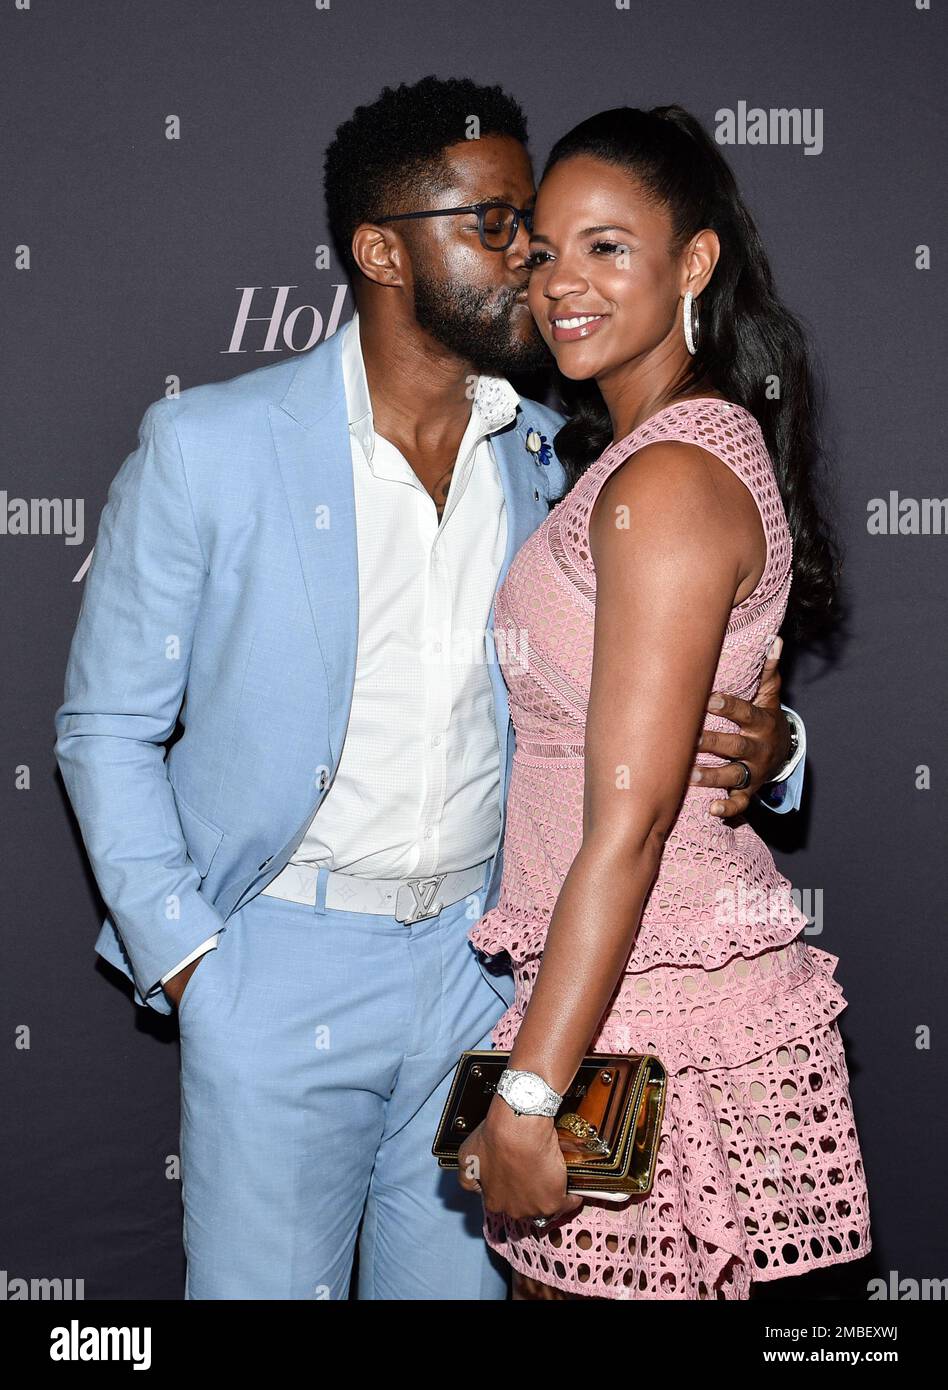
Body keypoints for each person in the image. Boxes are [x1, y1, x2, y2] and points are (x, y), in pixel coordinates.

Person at [54, 79, 805, 1301]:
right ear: (380, 250)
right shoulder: (213, 447)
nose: (533, 262)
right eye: (501, 224)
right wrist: (197, 963)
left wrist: (771, 745)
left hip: (490, 973)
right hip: (280, 960)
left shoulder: (556, 455)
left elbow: (630, 683)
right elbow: (102, 729)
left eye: (549, 232)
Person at [462, 104, 871, 1301]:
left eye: (606, 246)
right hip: (612, 1004)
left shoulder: (672, 478)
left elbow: (629, 828)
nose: (559, 284)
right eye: (543, 251)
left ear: (694, 262)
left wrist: (532, 1094)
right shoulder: (647, 456)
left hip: (662, 1024)